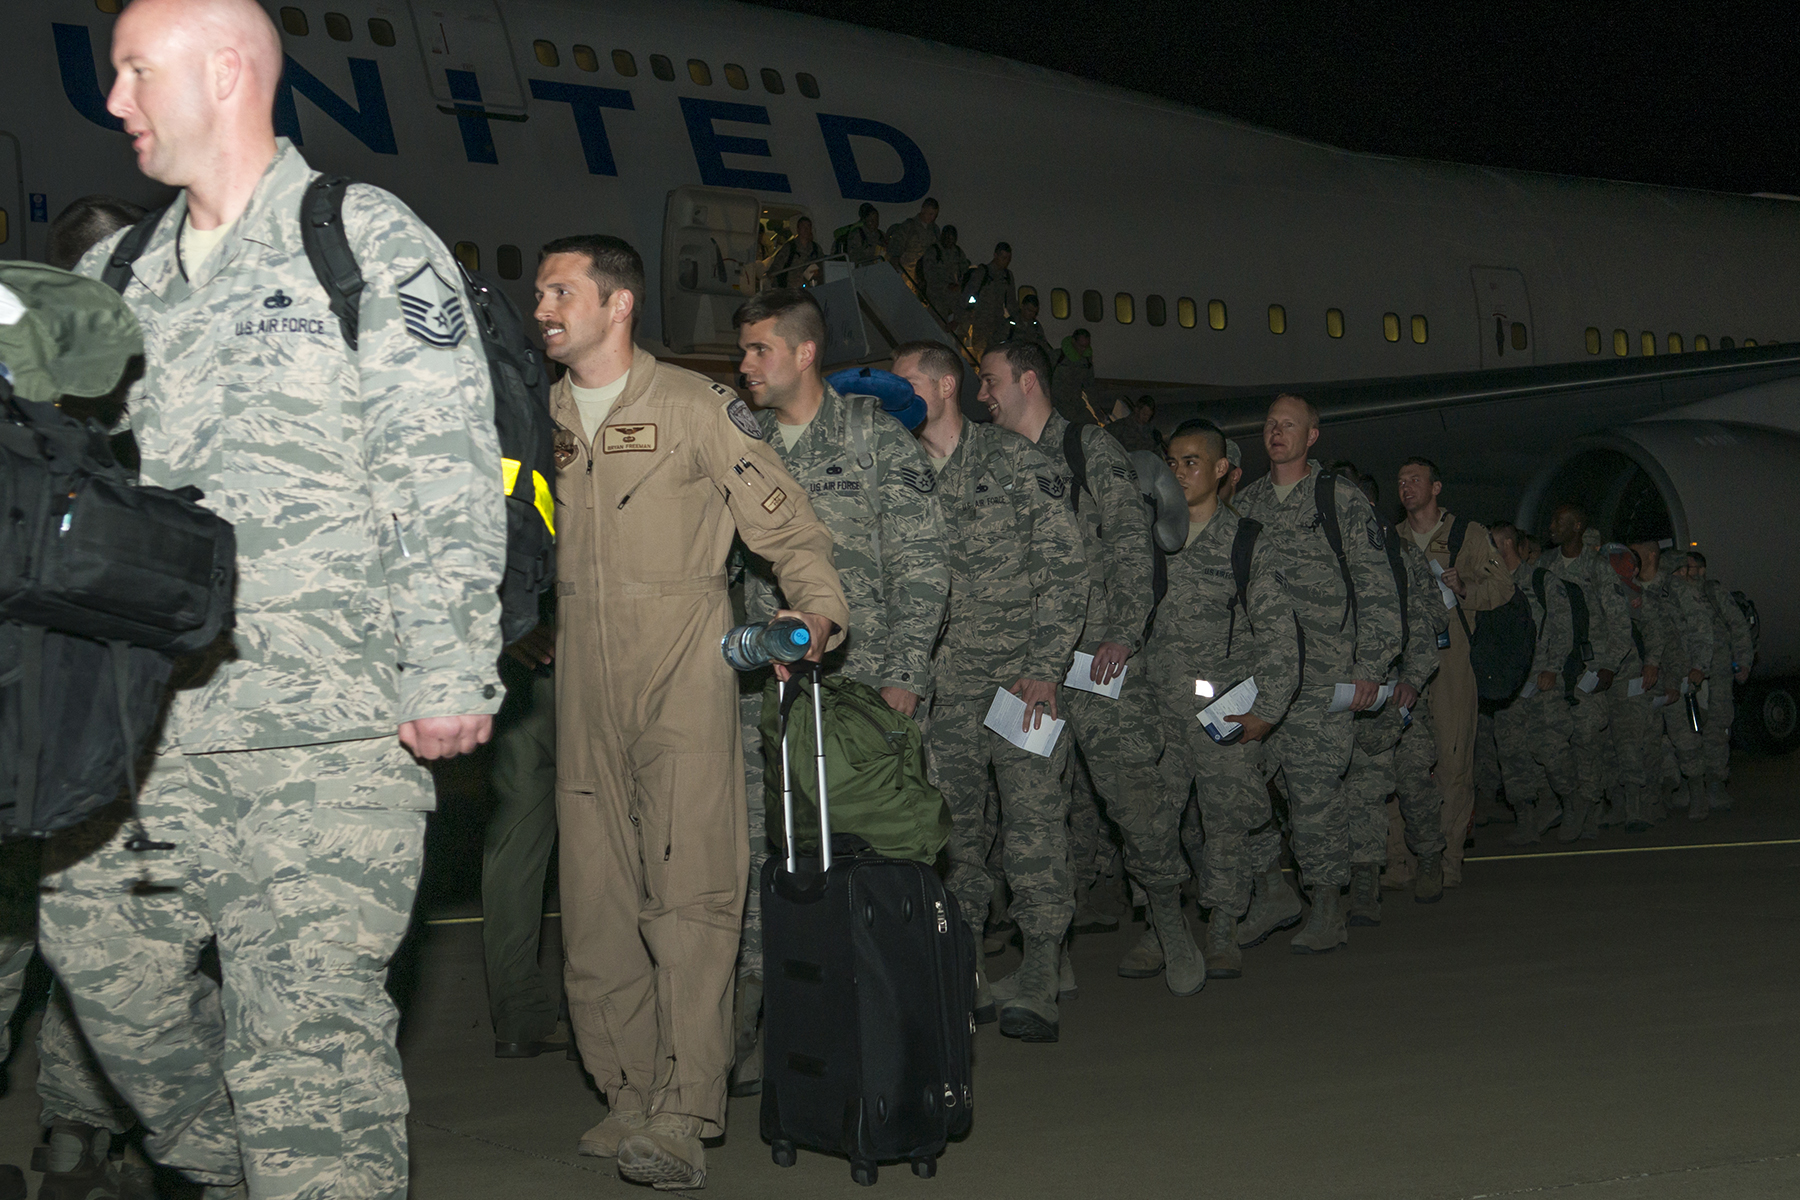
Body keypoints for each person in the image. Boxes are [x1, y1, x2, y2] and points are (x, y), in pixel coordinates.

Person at [45, 2, 509, 1196]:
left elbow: (442, 461)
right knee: (107, 983)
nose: (115, 101)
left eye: (136, 71)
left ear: (228, 71)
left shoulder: (359, 239)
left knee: (306, 1050)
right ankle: (257, 1170)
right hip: (143, 738)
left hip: (329, 736)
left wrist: (449, 668)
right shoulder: (113, 275)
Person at [537, 236, 848, 1189]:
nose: (542, 306)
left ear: (618, 304)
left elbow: (784, 521)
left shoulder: (693, 406)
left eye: (561, 290)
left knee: (693, 898)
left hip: (680, 662)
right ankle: (626, 1091)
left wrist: (817, 609)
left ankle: (685, 1108)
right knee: (594, 905)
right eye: (539, 292)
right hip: (580, 673)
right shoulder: (538, 411)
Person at [728, 291, 949, 1089]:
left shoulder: (873, 441)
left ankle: (890, 1001)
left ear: (803, 352)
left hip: (861, 691)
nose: (745, 365)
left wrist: (904, 679)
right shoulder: (737, 447)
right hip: (767, 691)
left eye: (758, 349)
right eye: (743, 351)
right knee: (765, 849)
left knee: (865, 856)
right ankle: (765, 1009)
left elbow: (922, 566)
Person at [980, 341, 1201, 995]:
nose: (983, 395)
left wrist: (1123, 636)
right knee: (1032, 813)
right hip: (1027, 671)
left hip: (1093, 662)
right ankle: (1047, 955)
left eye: (990, 382)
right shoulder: (990, 463)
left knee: (1133, 800)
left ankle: (1168, 919)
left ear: (1026, 381)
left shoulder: (1087, 450)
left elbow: (1133, 545)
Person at [892, 340, 1087, 1041]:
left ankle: (1040, 973)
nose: (893, 390)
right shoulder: (900, 474)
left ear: (944, 385)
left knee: (1035, 826)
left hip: (1017, 685)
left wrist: (1044, 664)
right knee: (954, 837)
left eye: (905, 379)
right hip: (939, 694)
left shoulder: (1014, 463)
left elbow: (1064, 570)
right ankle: (963, 969)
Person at [1233, 396, 1401, 954]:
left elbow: (1378, 585)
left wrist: (1373, 667)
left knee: (1314, 794)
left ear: (1312, 437)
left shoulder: (1339, 500)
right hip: (1263, 677)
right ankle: (1272, 894)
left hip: (1326, 673)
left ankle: (1327, 906)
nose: (1275, 433)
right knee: (1243, 785)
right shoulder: (1247, 502)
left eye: (1288, 426)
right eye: (1269, 425)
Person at [1148, 420, 1299, 978]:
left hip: (1221, 706)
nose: (1179, 472)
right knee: (1155, 821)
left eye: (1191, 461)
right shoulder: (1149, 537)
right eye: (1172, 461)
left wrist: (1266, 710)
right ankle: (1159, 925)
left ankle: (1223, 926)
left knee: (1225, 821)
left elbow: (1281, 634)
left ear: (1219, 470)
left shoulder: (1247, 541)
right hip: (1157, 706)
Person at [1393, 457, 1513, 887]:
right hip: (1407, 663)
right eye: (1402, 481)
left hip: (1452, 663)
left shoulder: (1467, 535)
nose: (1407, 487)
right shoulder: (1394, 538)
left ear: (1436, 486)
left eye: (1416, 480)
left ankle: (1447, 860)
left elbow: (1504, 588)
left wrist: (1463, 588)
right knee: (1401, 759)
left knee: (1453, 759)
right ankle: (1401, 860)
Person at [482, 601, 562, 1060]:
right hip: (599, 647)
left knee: (515, 842)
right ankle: (599, 1018)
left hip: (522, 655)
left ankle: (518, 1017)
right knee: (603, 835)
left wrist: (510, 621)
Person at [1535, 506, 1631, 841]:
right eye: (1551, 521)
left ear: (1577, 526)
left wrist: (1610, 665)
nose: (1551, 527)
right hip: (1554, 665)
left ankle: (1589, 807)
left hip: (1591, 664)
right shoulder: (1545, 565)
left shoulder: (1597, 568)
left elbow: (1619, 619)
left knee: (1588, 737)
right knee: (1550, 740)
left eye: (1558, 522)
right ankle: (1570, 799)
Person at [1676, 551, 1754, 817]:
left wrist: (1743, 661)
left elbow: (1738, 626)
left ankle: (1716, 784)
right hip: (1691, 672)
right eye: (1685, 568)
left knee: (1717, 728)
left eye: (1693, 567)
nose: (1689, 572)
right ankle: (1691, 784)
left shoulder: (1714, 593)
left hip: (1719, 671)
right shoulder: (1676, 595)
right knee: (1688, 731)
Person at [962, 242, 1016, 357]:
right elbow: (969, 295)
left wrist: (1016, 321)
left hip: (998, 324)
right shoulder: (983, 272)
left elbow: (1011, 302)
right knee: (982, 355)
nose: (1006, 261)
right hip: (981, 323)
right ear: (995, 255)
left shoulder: (1007, 276)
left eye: (1008, 258)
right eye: (1003, 258)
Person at [885, 197, 940, 285]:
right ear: (923, 210)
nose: (932, 217)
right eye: (930, 214)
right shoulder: (909, 226)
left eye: (934, 215)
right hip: (907, 272)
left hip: (924, 274)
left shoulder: (934, 230)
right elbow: (896, 246)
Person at [921, 225, 970, 321]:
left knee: (966, 313)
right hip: (936, 293)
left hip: (954, 294)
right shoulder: (934, 251)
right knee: (938, 318)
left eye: (952, 239)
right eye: (947, 237)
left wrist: (959, 286)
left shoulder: (958, 253)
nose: (949, 241)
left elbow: (966, 273)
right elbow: (929, 274)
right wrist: (946, 286)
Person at [1050, 329, 1097, 425]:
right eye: (1081, 346)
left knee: (1092, 425)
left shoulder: (1086, 361)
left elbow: (1090, 385)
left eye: (1086, 346)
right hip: (1056, 404)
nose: (1083, 349)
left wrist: (1097, 408)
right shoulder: (1057, 357)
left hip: (1075, 404)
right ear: (1073, 341)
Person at [763, 215, 824, 289]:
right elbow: (776, 267)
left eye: (808, 226)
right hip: (790, 289)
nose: (806, 229)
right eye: (803, 226)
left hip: (810, 288)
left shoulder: (816, 248)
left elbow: (823, 267)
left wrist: (818, 272)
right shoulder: (789, 247)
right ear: (798, 229)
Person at [842, 202, 887, 266]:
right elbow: (852, 257)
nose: (874, 223)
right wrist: (872, 252)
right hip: (863, 268)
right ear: (865, 220)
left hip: (881, 267)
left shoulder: (882, 235)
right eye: (871, 220)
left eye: (876, 220)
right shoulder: (857, 234)